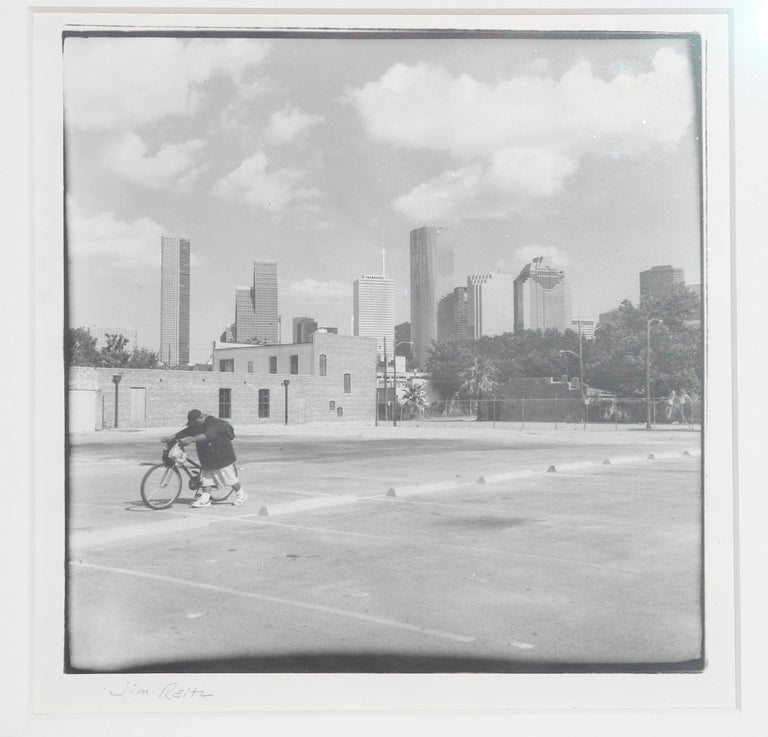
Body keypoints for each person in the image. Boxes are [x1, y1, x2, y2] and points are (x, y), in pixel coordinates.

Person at [163, 409, 247, 508]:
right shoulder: (197, 424)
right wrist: (173, 436)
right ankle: (205, 499)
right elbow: (187, 431)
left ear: (201, 417)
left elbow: (207, 435)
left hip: (221, 454)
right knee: (206, 478)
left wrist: (191, 439)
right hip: (208, 455)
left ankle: (241, 494)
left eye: (195, 422)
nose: (194, 424)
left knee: (228, 477)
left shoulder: (213, 422)